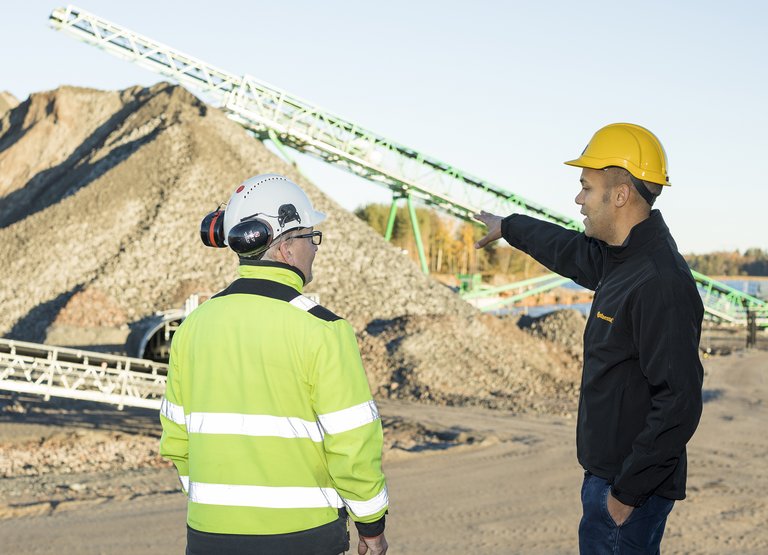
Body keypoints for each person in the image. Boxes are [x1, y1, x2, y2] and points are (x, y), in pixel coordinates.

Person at [474, 123, 703, 554]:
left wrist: (625, 495)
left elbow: (679, 400)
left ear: (619, 195)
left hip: (627, 492)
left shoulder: (658, 281)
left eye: (586, 187)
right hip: (611, 480)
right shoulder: (620, 260)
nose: (578, 199)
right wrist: (509, 227)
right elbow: (566, 248)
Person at [160, 173, 389, 555]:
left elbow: (176, 438)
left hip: (208, 536)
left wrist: (220, 506)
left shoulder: (192, 326)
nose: (315, 249)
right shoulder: (323, 329)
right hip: (302, 537)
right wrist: (371, 526)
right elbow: (352, 446)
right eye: (310, 238)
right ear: (285, 248)